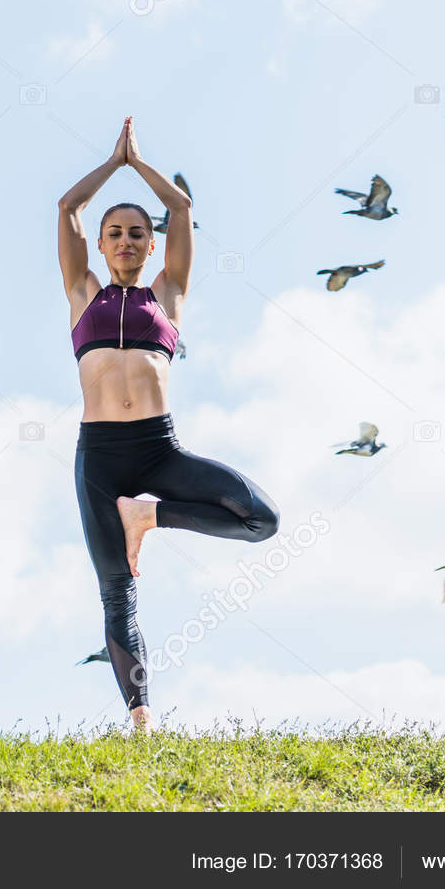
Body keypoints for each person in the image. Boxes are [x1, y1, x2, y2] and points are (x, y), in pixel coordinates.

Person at [58, 116, 279, 733]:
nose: (125, 241)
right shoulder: (82, 293)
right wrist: (113, 162)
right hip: (101, 457)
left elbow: (179, 206)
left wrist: (139, 163)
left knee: (263, 519)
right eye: (114, 235)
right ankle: (142, 720)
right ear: (100, 246)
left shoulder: (169, 295)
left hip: (158, 450)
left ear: (151, 246)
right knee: (117, 592)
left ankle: (148, 515)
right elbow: (69, 205)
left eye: (136, 234)